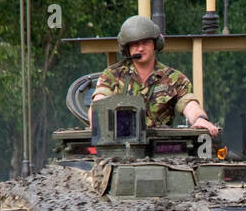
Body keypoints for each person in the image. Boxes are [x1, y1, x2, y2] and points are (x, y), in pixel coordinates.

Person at [91, 15, 220, 136]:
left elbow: (189, 104)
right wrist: (97, 122)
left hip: (161, 145)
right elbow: (98, 104)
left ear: (155, 44)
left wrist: (199, 119)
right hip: (120, 144)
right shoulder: (112, 75)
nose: (140, 48)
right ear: (127, 49)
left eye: (145, 42)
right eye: (135, 44)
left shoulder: (174, 78)